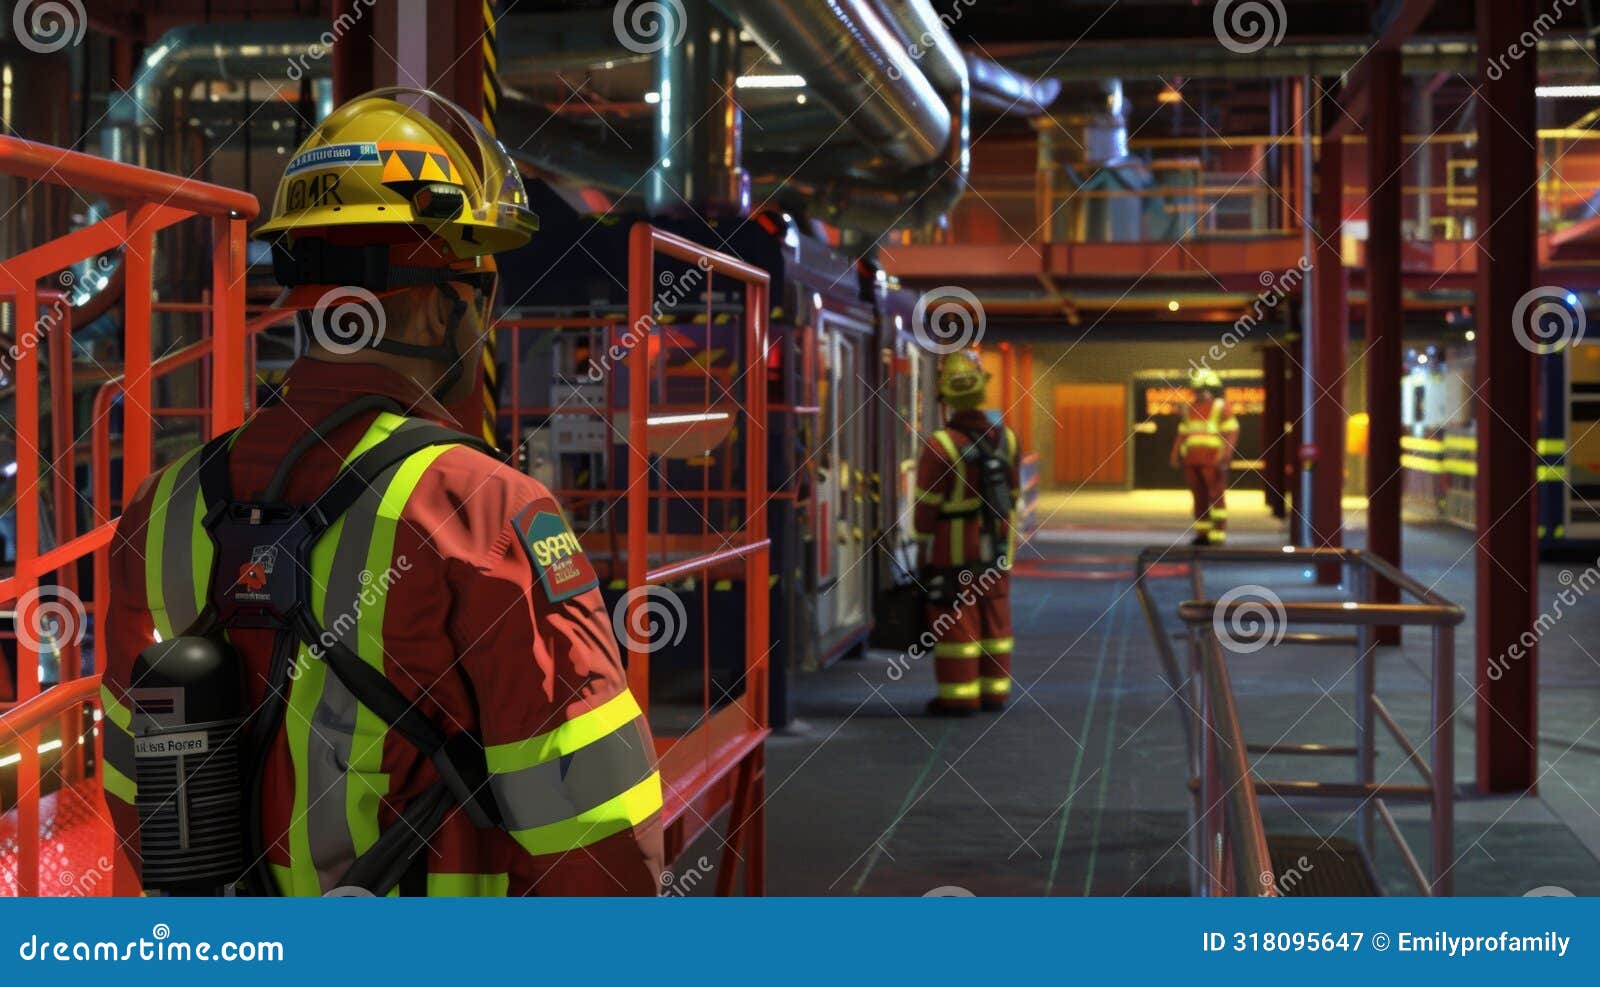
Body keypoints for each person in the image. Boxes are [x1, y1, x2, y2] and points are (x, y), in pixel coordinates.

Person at [100, 88, 663, 896]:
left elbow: (137, 794)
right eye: (479, 291)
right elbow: (597, 832)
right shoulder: (487, 512)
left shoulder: (160, 508)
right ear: (439, 308)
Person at [913, 350, 1020, 716]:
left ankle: (959, 698)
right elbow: (1014, 496)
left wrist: (922, 548)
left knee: (956, 618)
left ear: (945, 395)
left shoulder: (940, 445)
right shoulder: (1007, 439)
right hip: (998, 547)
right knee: (995, 616)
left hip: (953, 548)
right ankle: (994, 693)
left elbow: (925, 510)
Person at [1170, 368, 1240, 546]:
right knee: (1199, 497)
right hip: (1192, 460)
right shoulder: (1189, 409)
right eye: (1196, 389)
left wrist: (1225, 456)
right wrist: (1175, 454)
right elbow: (1182, 434)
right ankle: (1203, 534)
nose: (1197, 393)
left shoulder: (1220, 407)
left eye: (1200, 389)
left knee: (1216, 496)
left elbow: (1232, 432)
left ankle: (1217, 534)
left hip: (1212, 461)